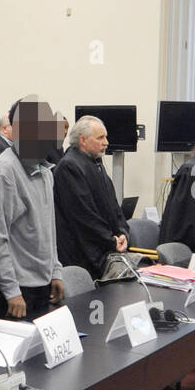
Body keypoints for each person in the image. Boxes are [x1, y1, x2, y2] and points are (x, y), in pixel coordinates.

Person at [0, 98, 64, 320]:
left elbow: (49, 230)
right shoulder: (2, 173)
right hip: (16, 290)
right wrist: (10, 290)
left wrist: (55, 271)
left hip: (43, 285)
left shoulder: (46, 172)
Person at [52, 115, 128, 278]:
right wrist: (111, 240)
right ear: (83, 140)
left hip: (104, 246)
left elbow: (113, 206)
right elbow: (84, 215)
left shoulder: (96, 163)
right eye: (100, 137)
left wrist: (122, 232)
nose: (106, 142)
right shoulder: (69, 167)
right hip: (83, 256)